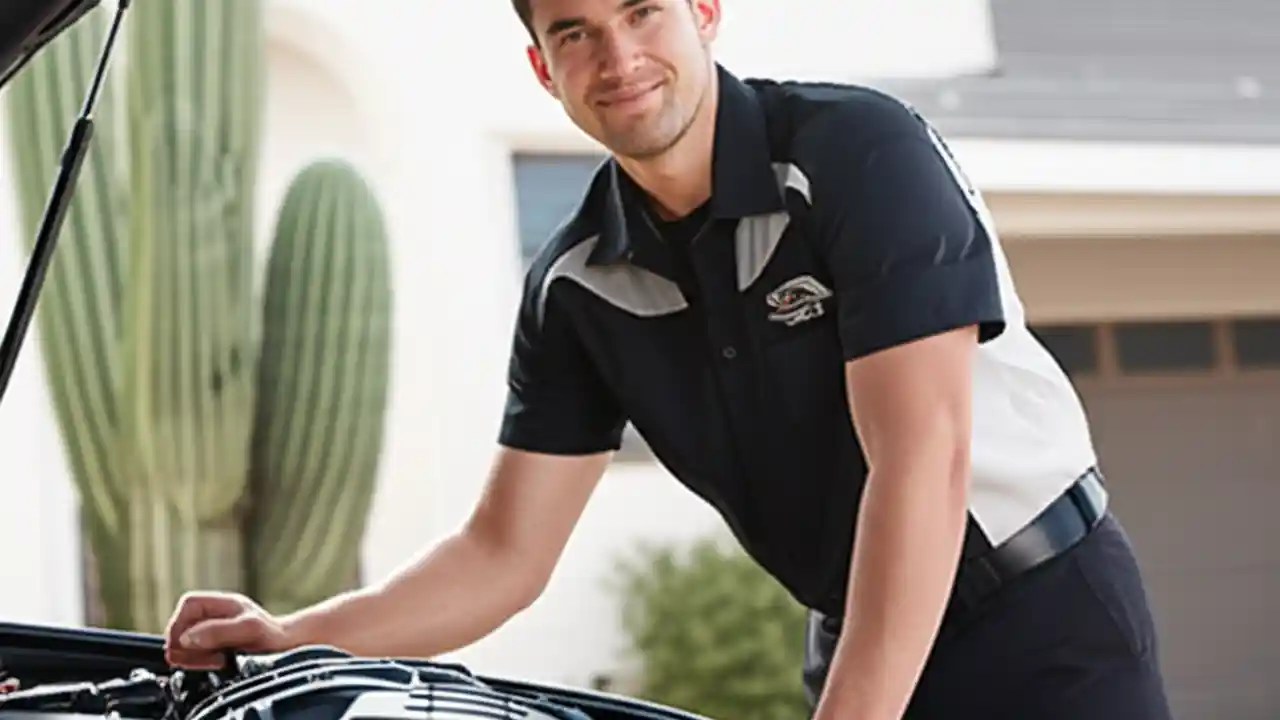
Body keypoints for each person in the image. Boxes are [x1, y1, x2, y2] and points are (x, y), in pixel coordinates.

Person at [164, 1, 1174, 718]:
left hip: (1041, 622)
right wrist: (296, 637)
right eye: (575, 33)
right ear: (543, 69)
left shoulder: (859, 154)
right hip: (854, 634)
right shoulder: (574, 287)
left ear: (703, 11)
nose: (617, 56)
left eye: (642, 12)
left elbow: (921, 461)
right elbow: (500, 557)